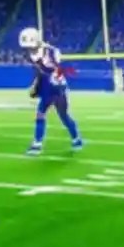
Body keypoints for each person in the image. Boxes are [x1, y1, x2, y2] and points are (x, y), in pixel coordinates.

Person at [19, 27, 83, 155]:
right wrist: (36, 86)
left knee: (63, 116)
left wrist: (54, 80)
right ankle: (37, 143)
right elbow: (39, 72)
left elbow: (60, 69)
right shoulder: (31, 54)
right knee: (40, 114)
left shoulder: (51, 52)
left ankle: (76, 138)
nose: (29, 49)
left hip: (57, 87)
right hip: (46, 86)